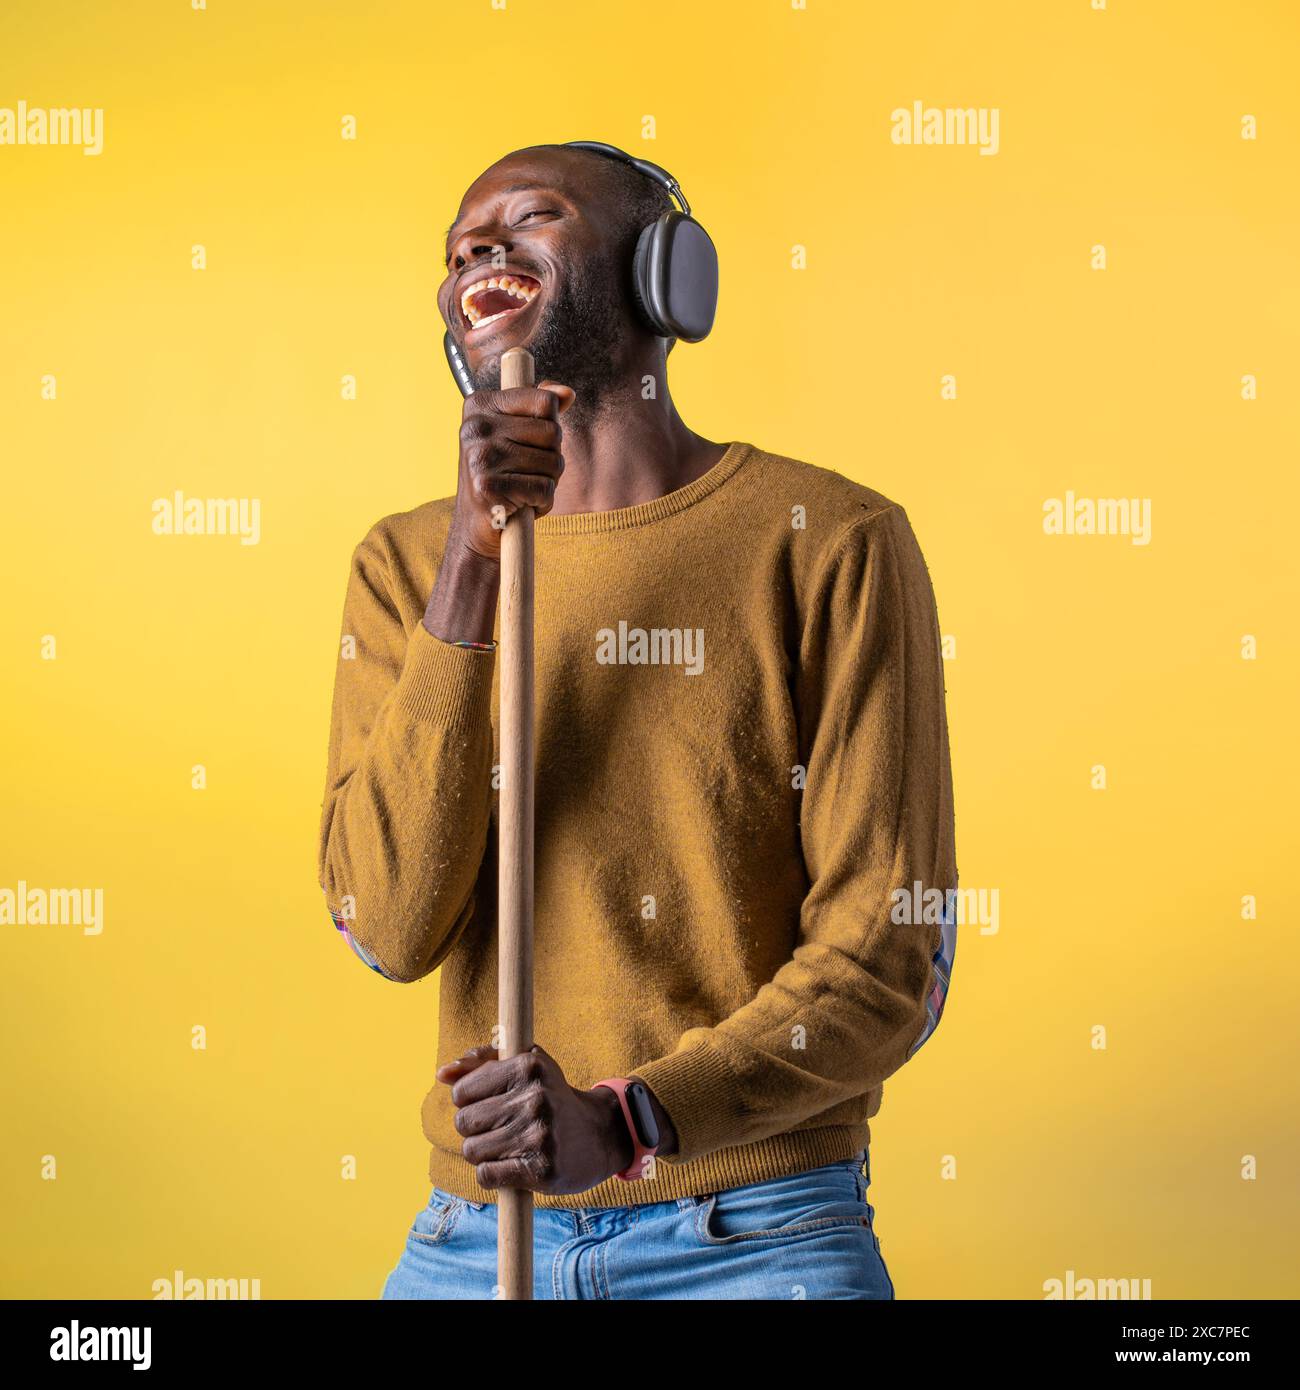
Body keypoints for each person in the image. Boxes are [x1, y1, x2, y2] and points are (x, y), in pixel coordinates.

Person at [317, 141, 958, 1300]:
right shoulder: (407, 560)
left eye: (535, 217)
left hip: (754, 1234)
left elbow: (886, 959)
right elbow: (386, 926)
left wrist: (631, 1119)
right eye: (463, 241)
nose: (481, 246)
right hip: (474, 1236)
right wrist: (473, 561)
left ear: (668, 278)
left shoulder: (830, 541)